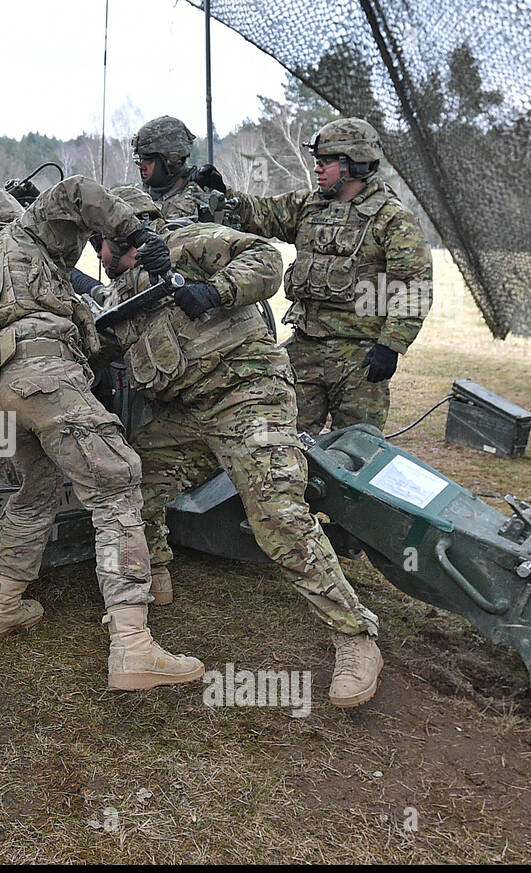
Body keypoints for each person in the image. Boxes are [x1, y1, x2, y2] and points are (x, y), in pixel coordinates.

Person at [85, 185, 382, 707]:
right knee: (132, 479)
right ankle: (154, 574)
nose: (97, 254)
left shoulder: (185, 243)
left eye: (100, 241)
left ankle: (355, 638)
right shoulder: (117, 300)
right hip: (185, 413)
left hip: (248, 395)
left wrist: (216, 291)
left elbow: (266, 257)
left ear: (122, 235)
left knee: (276, 513)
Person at [0, 180, 204, 692]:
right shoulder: (23, 232)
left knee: (34, 491)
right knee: (117, 480)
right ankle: (132, 647)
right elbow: (76, 191)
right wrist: (135, 230)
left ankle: (2, 609)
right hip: (39, 372)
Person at [199, 117, 433, 434]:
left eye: (325, 162)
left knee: (355, 450)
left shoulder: (391, 219)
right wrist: (225, 195)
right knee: (283, 439)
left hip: (359, 360)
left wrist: (391, 346)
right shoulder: (309, 207)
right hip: (305, 350)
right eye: (316, 162)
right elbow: (263, 214)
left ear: (355, 163)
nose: (317, 169)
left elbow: (414, 286)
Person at [131, 115, 228, 223]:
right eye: (140, 159)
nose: (142, 166)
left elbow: (248, 215)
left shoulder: (199, 191)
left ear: (170, 160)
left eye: (149, 160)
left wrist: (225, 196)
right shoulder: (134, 196)